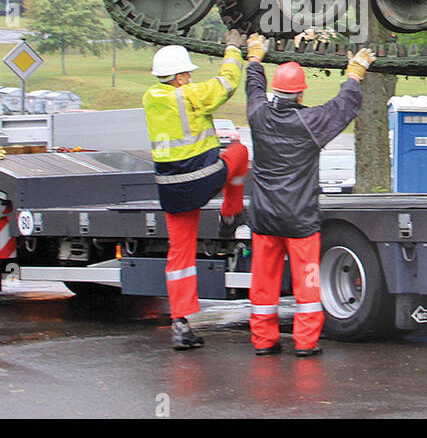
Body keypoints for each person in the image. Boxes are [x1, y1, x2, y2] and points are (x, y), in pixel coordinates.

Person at [244, 34, 374, 357]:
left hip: (264, 218)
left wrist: (255, 60)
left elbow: (253, 91)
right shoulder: (310, 122)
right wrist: (354, 75)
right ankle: (305, 343)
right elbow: (343, 108)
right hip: (299, 219)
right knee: (307, 283)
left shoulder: (259, 116)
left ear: (276, 90)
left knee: (263, 284)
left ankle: (263, 341)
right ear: (301, 93)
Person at [142, 32, 249, 350]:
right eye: (187, 73)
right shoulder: (189, 95)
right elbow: (227, 83)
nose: (189, 77)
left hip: (172, 190)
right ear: (177, 78)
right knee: (240, 152)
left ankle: (181, 322)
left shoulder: (150, 98)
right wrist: (233, 49)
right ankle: (231, 214)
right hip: (204, 177)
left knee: (180, 255)